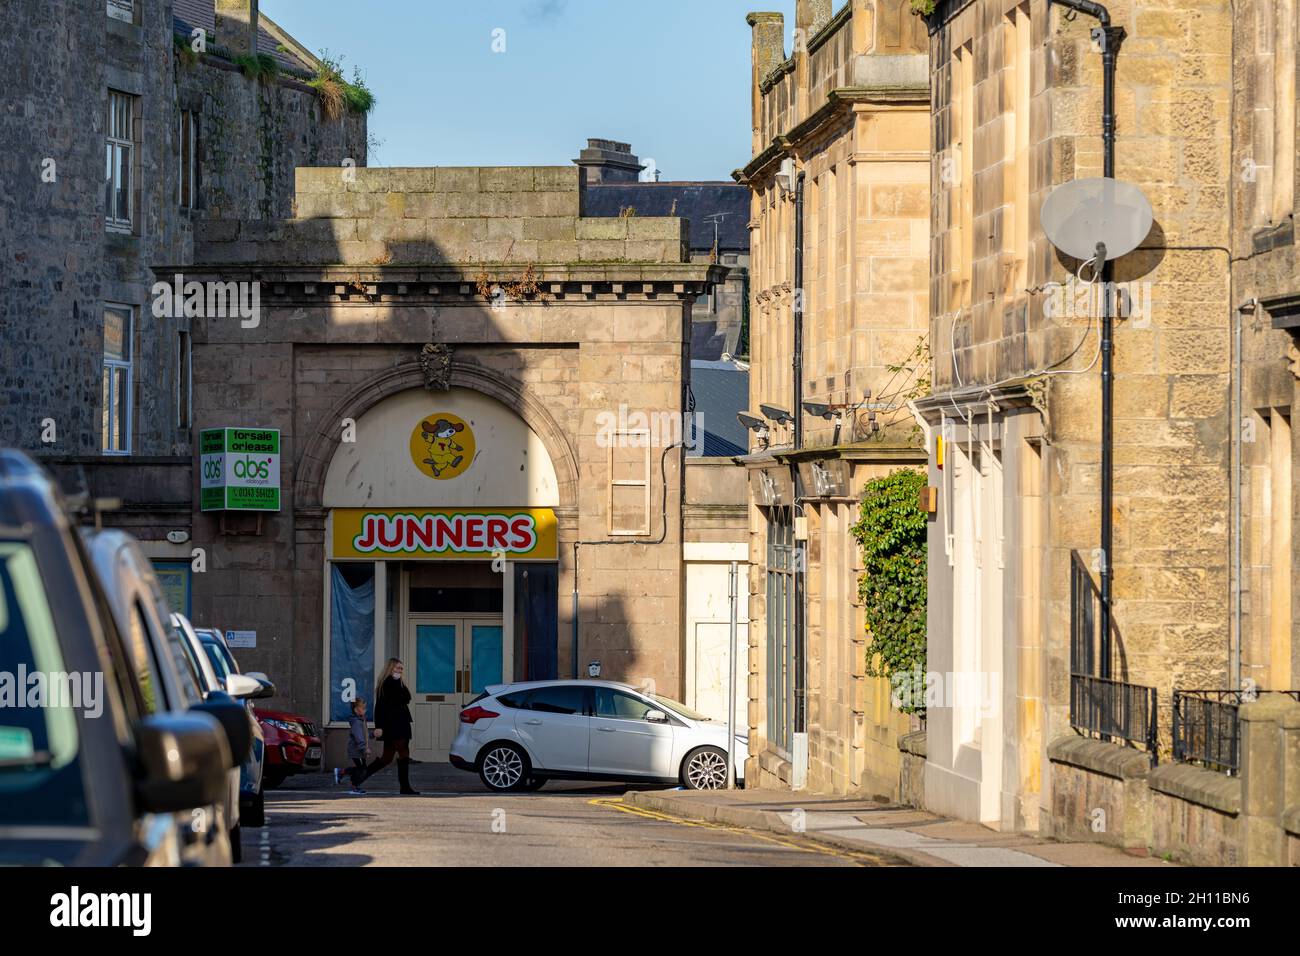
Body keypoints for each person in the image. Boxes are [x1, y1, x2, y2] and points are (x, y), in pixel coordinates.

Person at [359, 658, 419, 795]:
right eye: (397, 668)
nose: (400, 671)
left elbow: (406, 697)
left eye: (401, 669)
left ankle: (357, 778)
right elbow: (380, 707)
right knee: (404, 753)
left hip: (400, 723)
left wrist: (399, 682)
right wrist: (378, 726)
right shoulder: (386, 684)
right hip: (394, 725)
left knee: (386, 758)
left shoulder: (398, 683)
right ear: (390, 668)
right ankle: (405, 787)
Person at [332, 697, 370, 794]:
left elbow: (363, 735)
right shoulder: (357, 722)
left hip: (359, 749)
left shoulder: (361, 721)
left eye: (365, 708)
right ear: (356, 710)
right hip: (357, 750)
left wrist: (373, 735)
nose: (365, 710)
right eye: (363, 708)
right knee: (362, 769)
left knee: (361, 768)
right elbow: (358, 737)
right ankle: (354, 786)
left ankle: (341, 772)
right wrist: (363, 748)